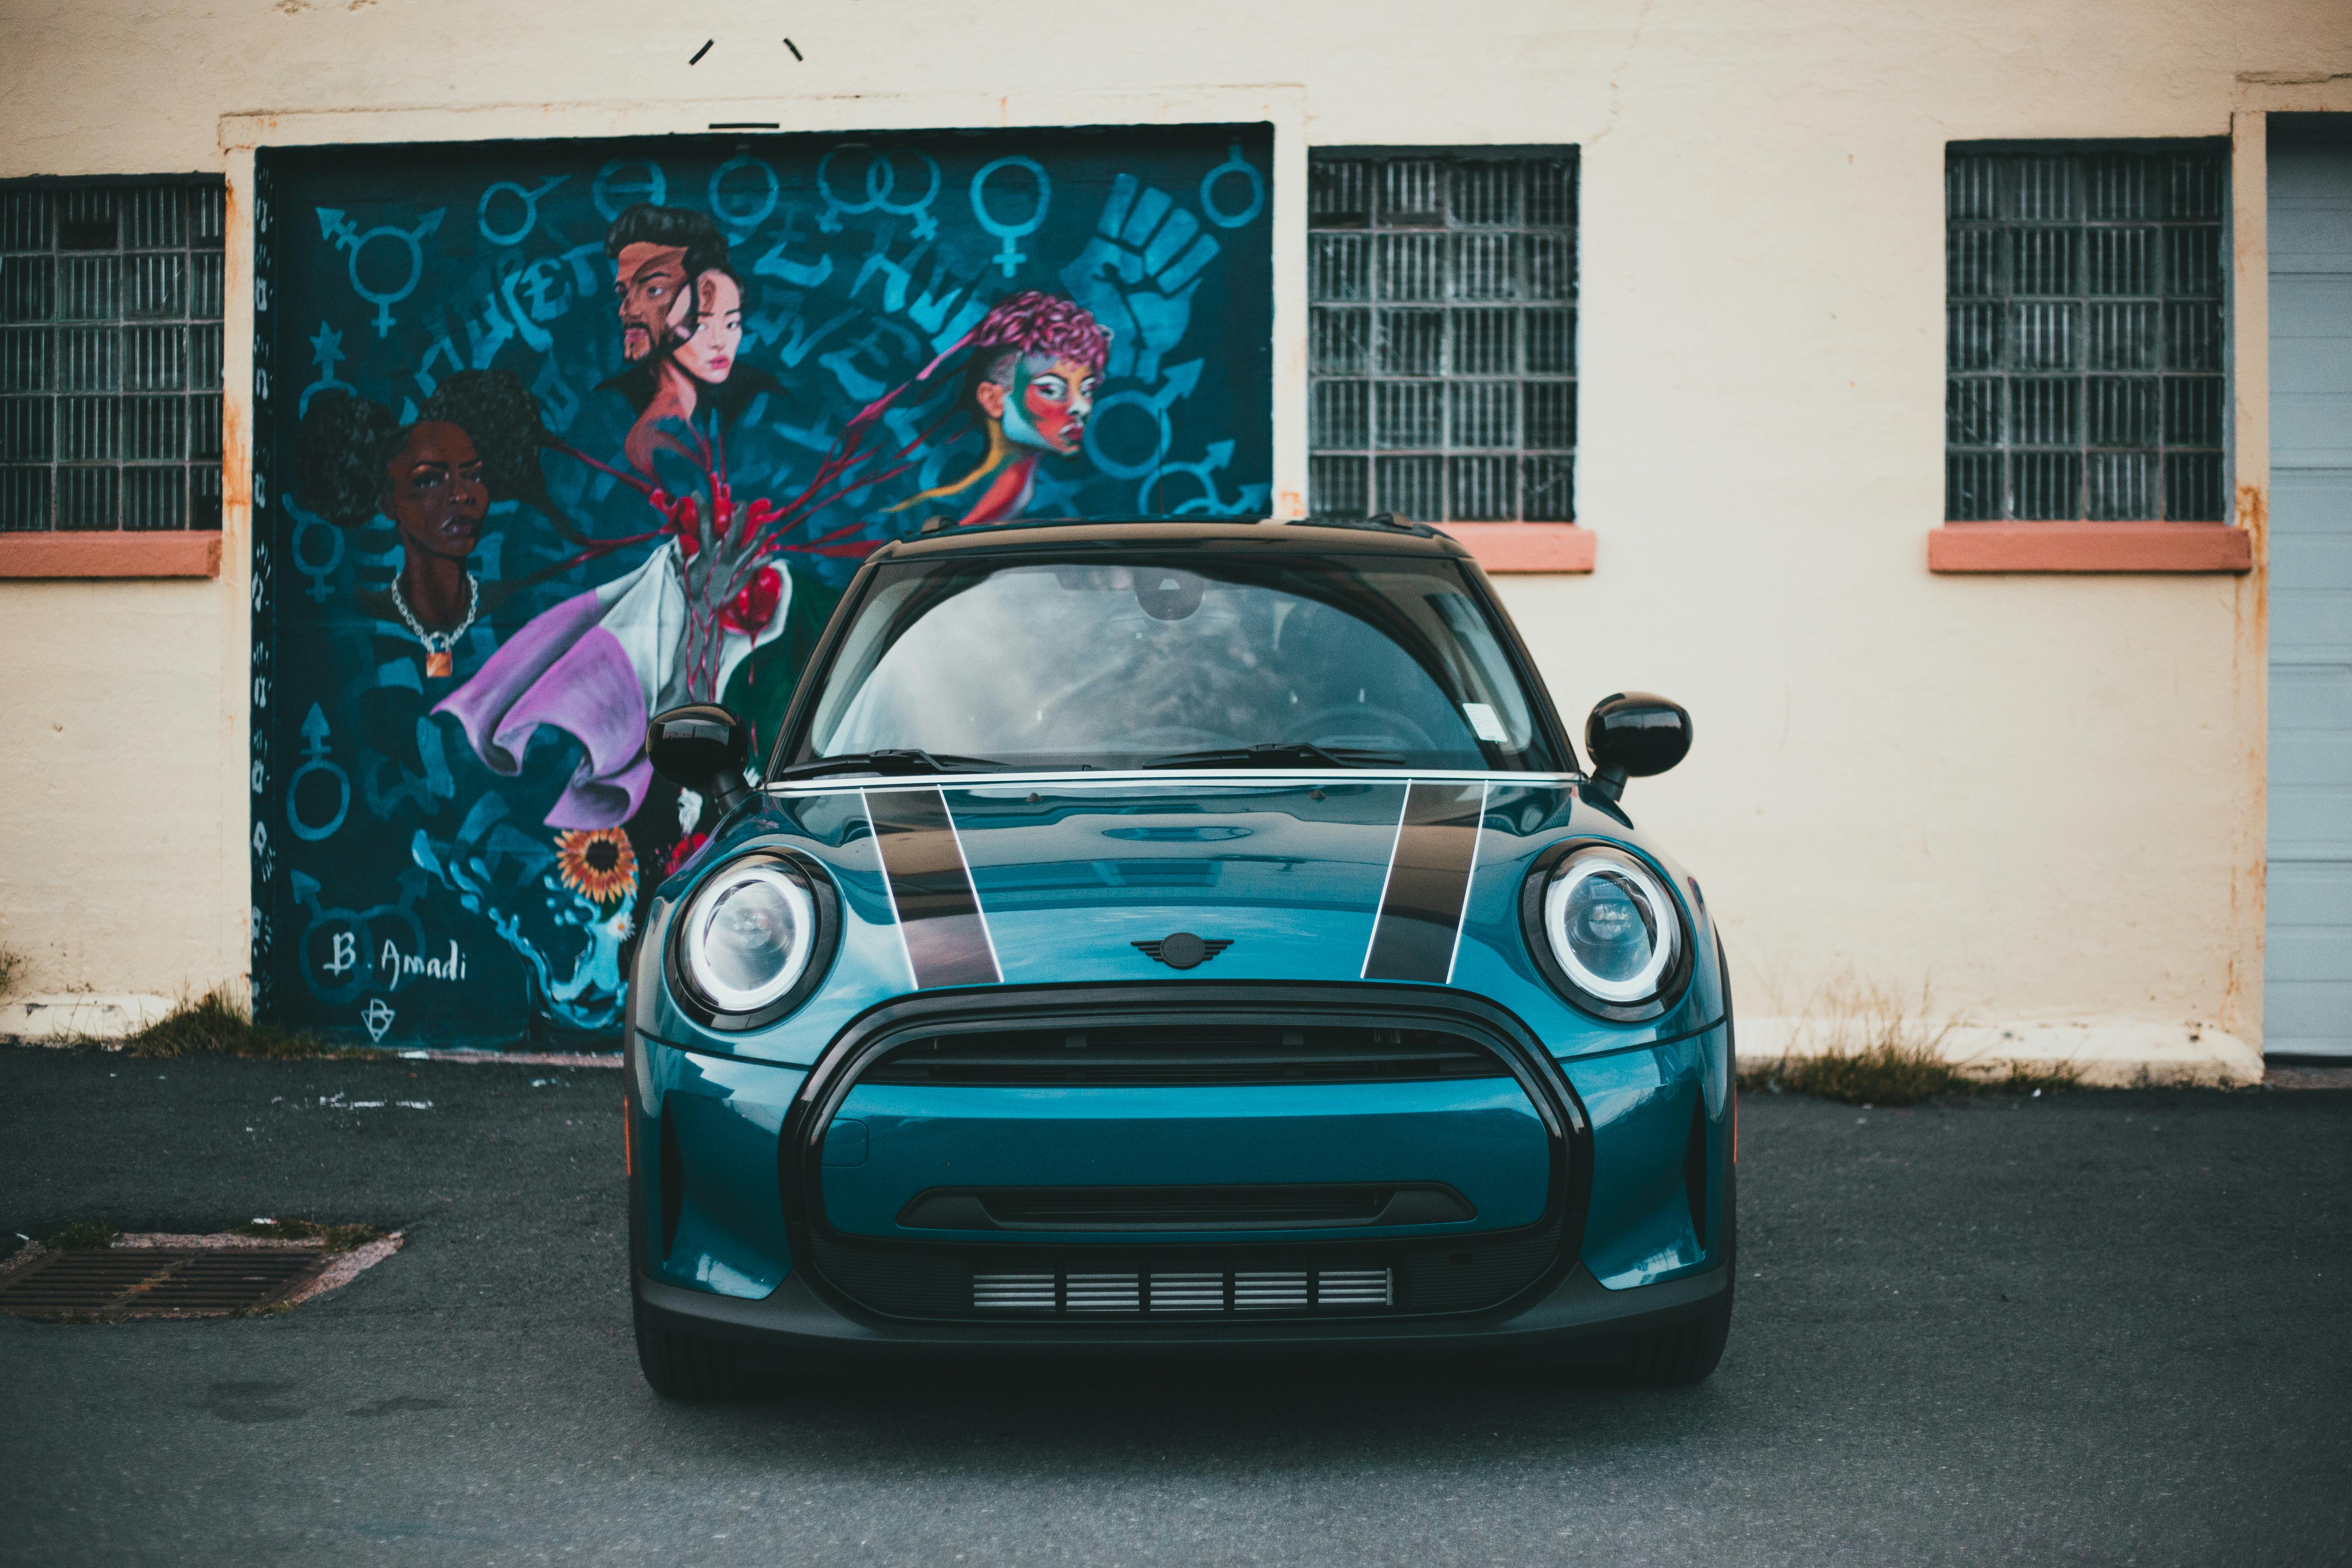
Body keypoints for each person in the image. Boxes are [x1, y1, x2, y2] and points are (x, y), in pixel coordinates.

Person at [888, 290, 1110, 527]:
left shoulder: (1021, 496)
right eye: (1052, 390)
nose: (1081, 407)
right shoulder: (941, 510)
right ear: (993, 399)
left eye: (1086, 390)